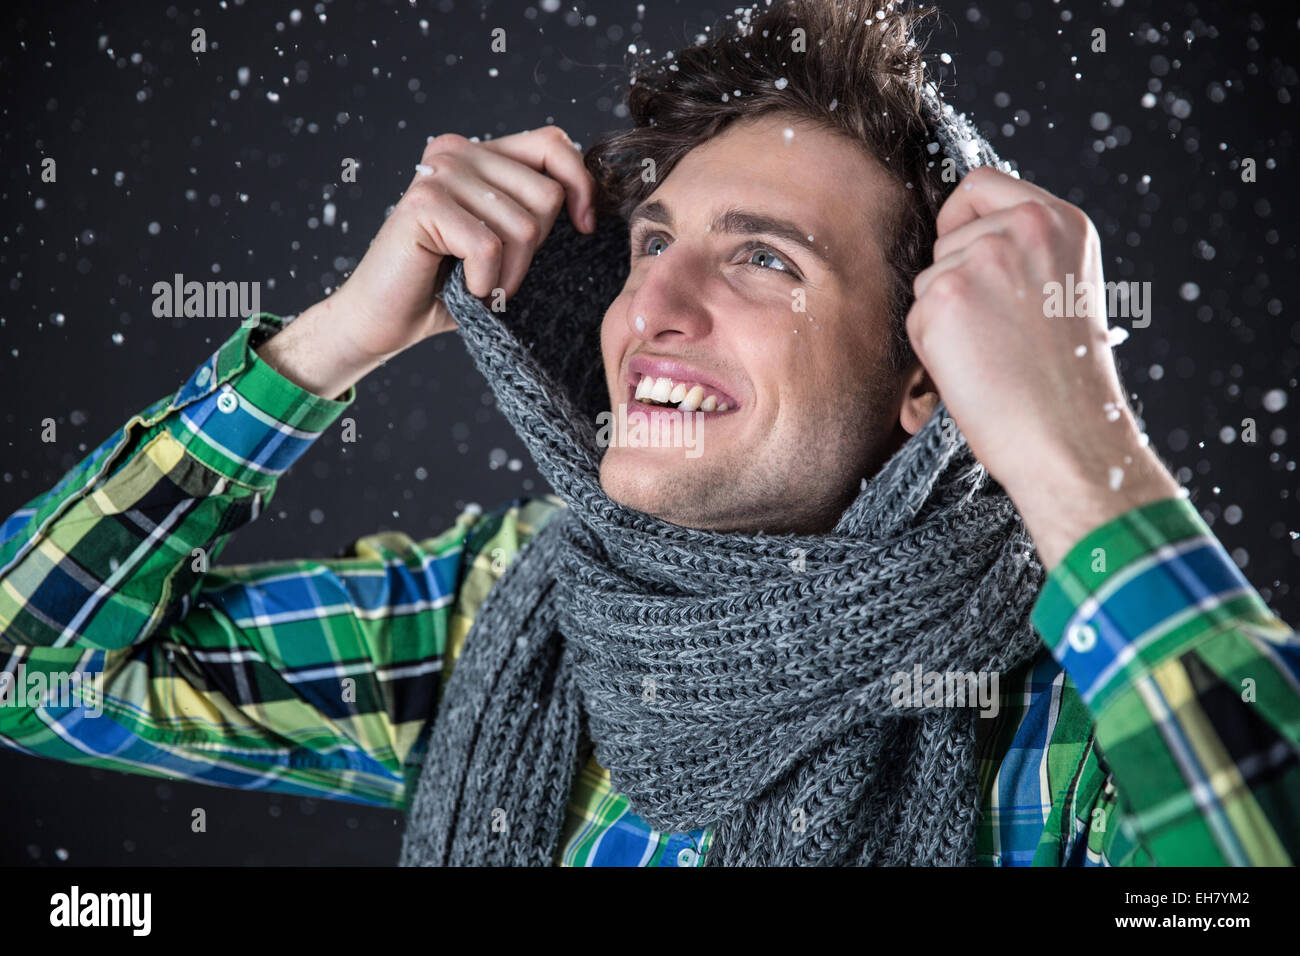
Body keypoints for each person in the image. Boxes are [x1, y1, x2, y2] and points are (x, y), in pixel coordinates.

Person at [1, 0, 1296, 867]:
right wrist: (333, 340)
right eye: (654, 244)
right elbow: (33, 666)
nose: (651, 309)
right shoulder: (510, 615)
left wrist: (1080, 445)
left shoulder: (1077, 723)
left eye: (766, 263)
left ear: (929, 370)